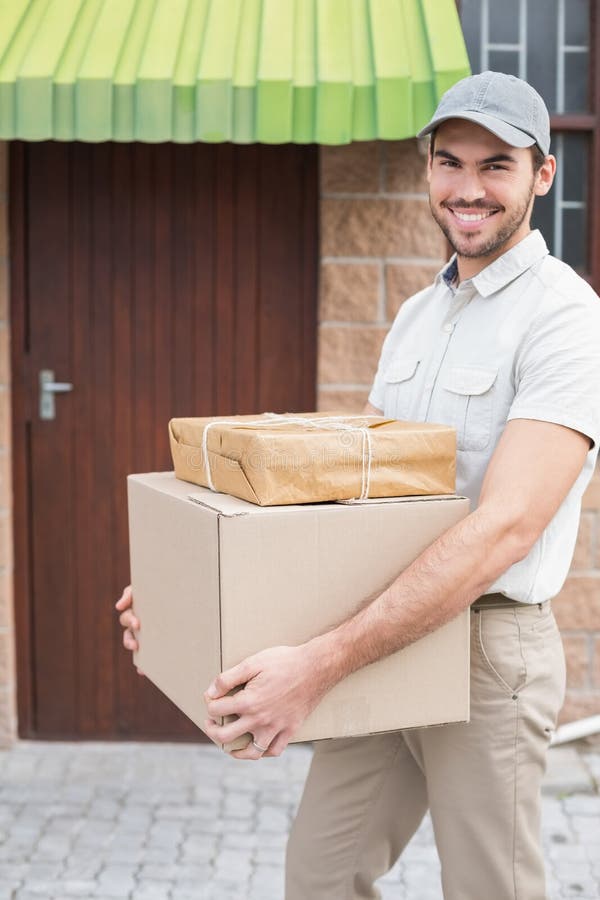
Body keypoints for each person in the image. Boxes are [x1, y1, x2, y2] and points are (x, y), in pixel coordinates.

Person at [116, 71, 600, 899]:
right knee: (321, 877)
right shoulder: (419, 315)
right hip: (384, 632)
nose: (468, 189)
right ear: (427, 171)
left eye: (496, 166)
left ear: (542, 176)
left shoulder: (564, 317)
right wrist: (187, 593)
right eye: (450, 163)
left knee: (492, 888)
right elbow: (348, 503)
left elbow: (505, 529)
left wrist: (317, 664)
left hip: (487, 651)